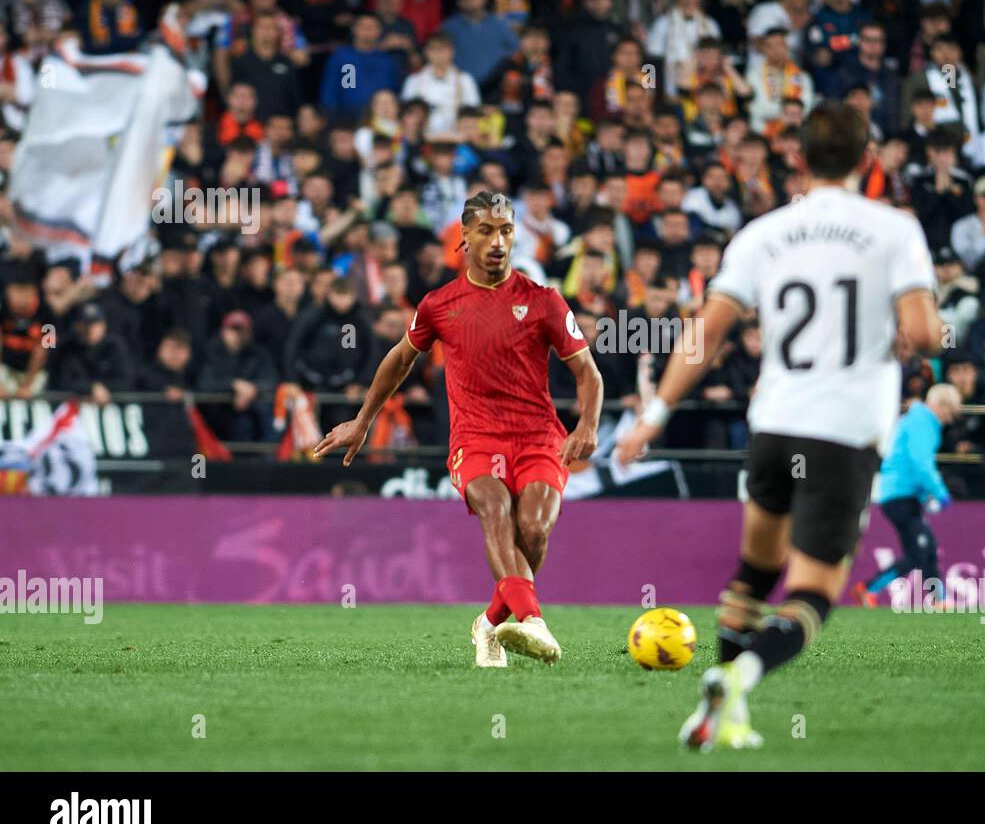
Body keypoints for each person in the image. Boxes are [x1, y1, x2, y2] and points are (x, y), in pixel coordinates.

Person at [615, 102, 941, 750]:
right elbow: (927, 332)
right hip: (844, 432)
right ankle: (740, 681)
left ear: (797, 157)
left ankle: (725, 711)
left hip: (773, 425)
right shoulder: (893, 228)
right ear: (867, 160)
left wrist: (652, 415)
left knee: (753, 573)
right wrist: (906, 336)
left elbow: (703, 335)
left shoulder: (763, 233)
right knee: (813, 593)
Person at [313, 191, 604, 667]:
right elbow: (400, 359)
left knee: (532, 529)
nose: (497, 241)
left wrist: (587, 424)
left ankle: (489, 624)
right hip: (475, 436)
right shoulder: (440, 305)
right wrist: (363, 421)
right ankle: (532, 621)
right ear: (464, 237)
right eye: (486, 231)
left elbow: (588, 373)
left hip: (538, 436)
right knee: (494, 508)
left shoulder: (544, 301)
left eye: (506, 230)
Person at [852, 384, 963, 607]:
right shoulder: (923, 423)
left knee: (923, 548)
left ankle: (936, 598)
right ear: (940, 406)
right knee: (920, 549)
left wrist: (925, 496)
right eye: (949, 413)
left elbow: (911, 464)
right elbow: (921, 464)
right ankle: (871, 589)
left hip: (899, 496)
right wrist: (939, 492)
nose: (949, 420)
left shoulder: (916, 420)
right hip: (900, 497)